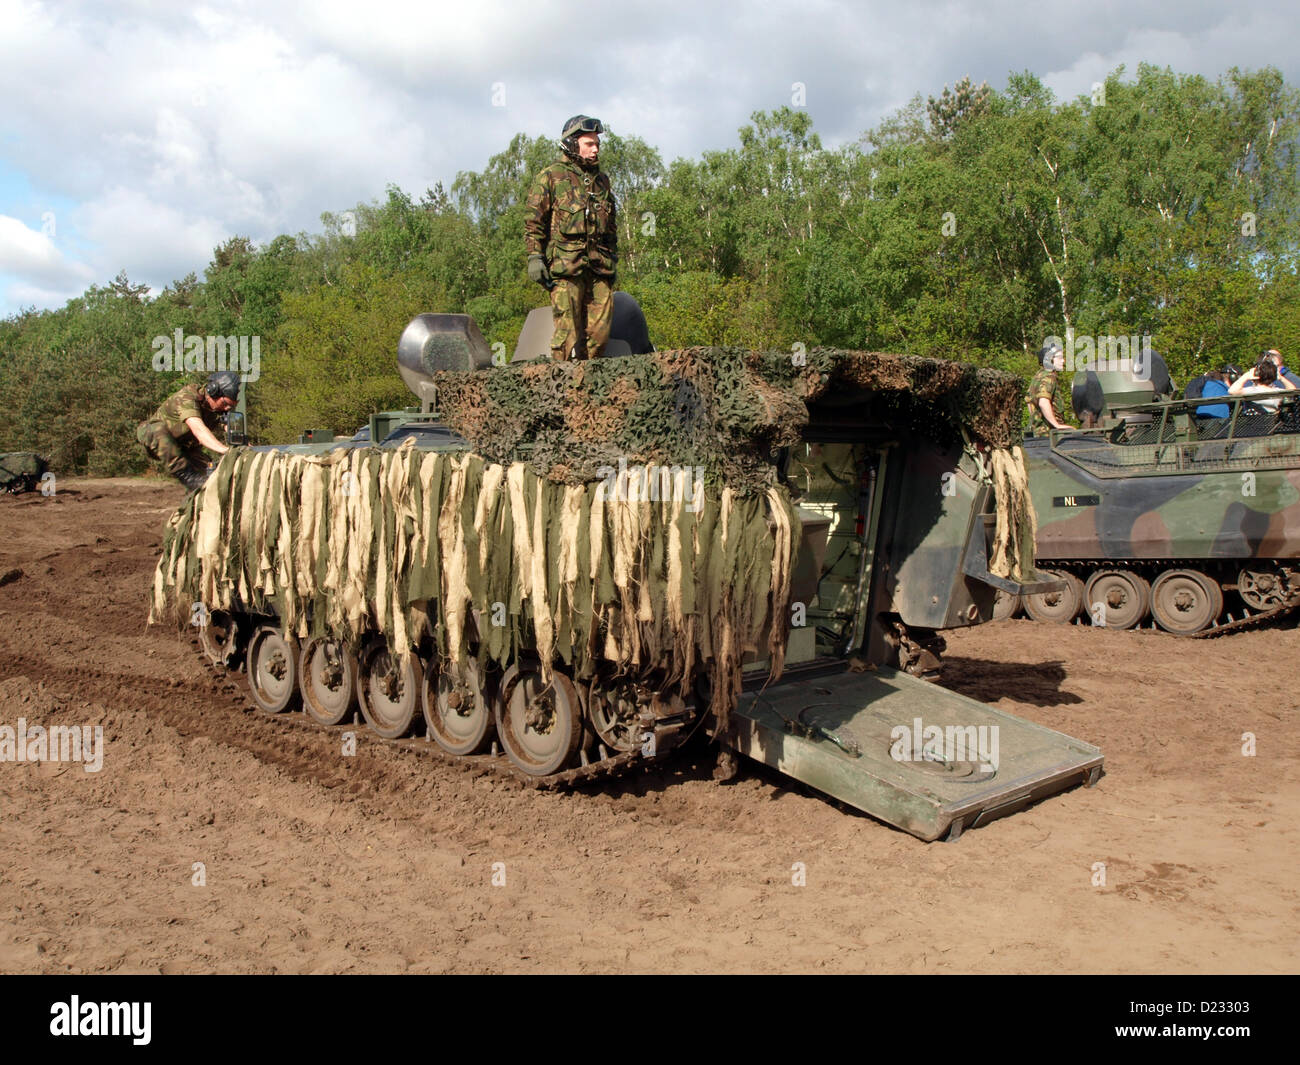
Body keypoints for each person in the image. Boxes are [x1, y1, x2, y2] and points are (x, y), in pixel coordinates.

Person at [523, 115, 617, 360]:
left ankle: (589, 391)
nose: (595, 148)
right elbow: (534, 221)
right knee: (565, 337)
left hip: (599, 270)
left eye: (597, 143)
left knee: (599, 336)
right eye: (589, 143)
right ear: (573, 144)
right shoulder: (551, 177)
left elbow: (612, 227)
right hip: (566, 268)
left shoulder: (602, 182)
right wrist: (535, 257)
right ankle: (560, 393)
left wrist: (612, 261)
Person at [137, 371, 240, 491]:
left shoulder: (219, 408)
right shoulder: (188, 397)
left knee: (212, 477)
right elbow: (199, 430)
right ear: (213, 391)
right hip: (156, 438)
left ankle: (194, 504)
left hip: (186, 449)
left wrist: (245, 448)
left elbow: (235, 432)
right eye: (225, 403)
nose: (227, 408)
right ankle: (186, 476)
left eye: (230, 405)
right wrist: (225, 450)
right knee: (156, 430)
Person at [1025, 340, 1071, 434]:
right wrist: (1056, 425)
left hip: (1039, 432)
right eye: (1060, 358)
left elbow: (1030, 404)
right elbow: (1043, 402)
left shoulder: (1038, 376)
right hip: (1050, 434)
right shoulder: (1049, 377)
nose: (1063, 360)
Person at [1227, 357, 1296, 414]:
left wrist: (1247, 375)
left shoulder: (1252, 391)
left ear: (1256, 374)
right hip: (1272, 426)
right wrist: (1281, 378)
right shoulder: (1278, 392)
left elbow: (1232, 391)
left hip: (1251, 427)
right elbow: (1293, 391)